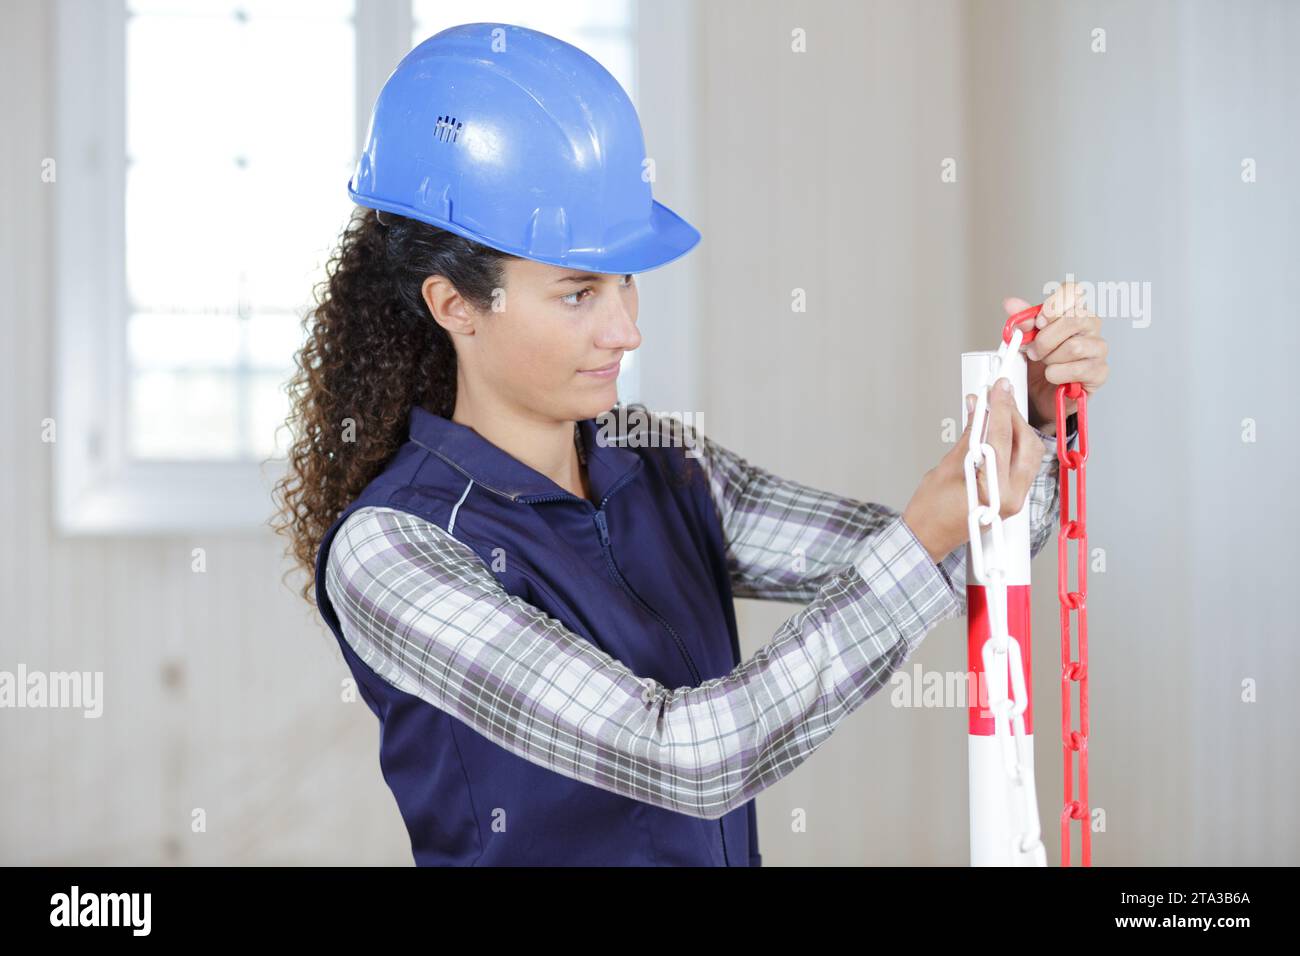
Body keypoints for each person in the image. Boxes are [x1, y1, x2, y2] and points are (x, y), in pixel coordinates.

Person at [271, 22, 1109, 866]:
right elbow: (684, 760)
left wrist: (1029, 420)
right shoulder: (394, 550)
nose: (626, 328)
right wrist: (928, 531)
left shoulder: (666, 467)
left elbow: (971, 549)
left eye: (626, 279)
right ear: (455, 304)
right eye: (577, 293)